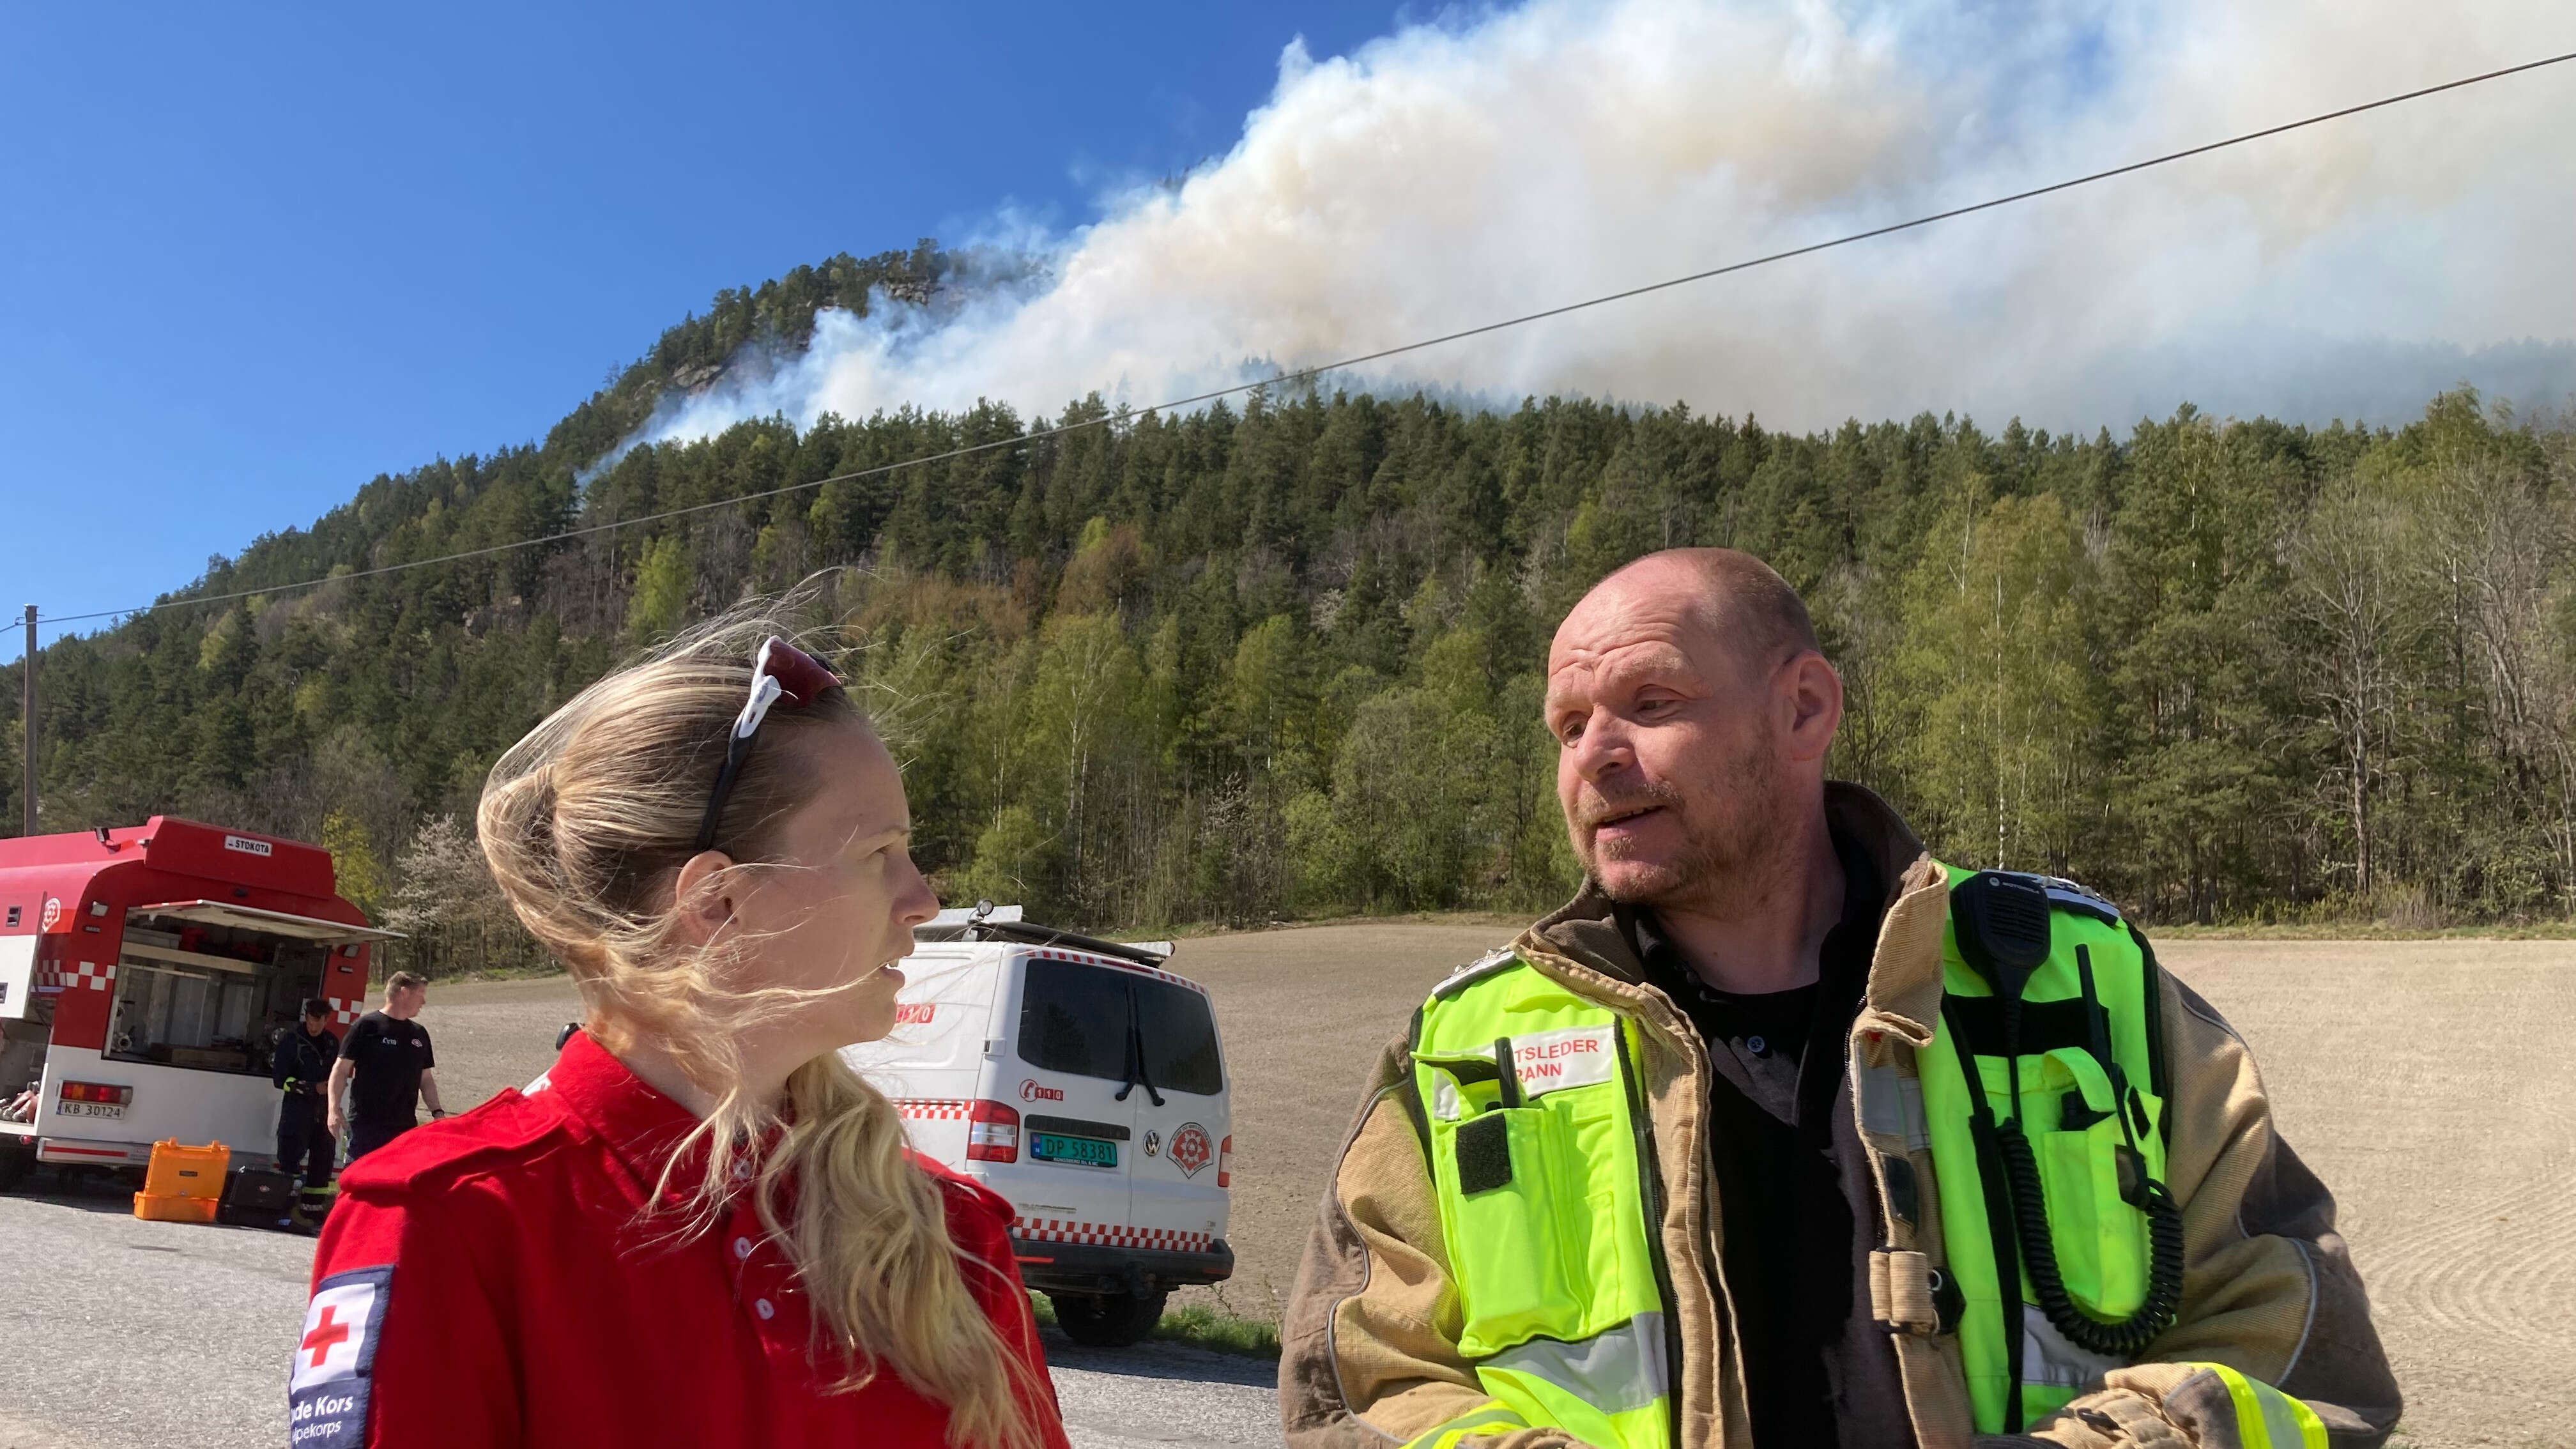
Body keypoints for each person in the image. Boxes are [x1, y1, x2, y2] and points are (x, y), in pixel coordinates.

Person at [1280, 549, 2400, 1449]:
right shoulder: (1465, 1050)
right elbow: (1360, 1383)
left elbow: (2299, 1347)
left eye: (1647, 700)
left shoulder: (2078, 978)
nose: (1594, 759)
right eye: (1567, 727)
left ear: (1804, 706)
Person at [294, 618, 1067, 1449]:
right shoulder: (454, 1225)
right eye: (880, 853)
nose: (921, 900)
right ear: (716, 904)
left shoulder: (951, 1238)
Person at [327, 972, 445, 1162]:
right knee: (360, 1183)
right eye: (421, 993)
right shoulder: (366, 1027)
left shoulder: (419, 1034)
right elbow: (340, 1070)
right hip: (366, 1125)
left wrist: (437, 1112)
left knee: (394, 1185)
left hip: (404, 1128)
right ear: (404, 993)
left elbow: (426, 1079)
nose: (424, 1001)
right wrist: (333, 1109)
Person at [272, 998, 342, 1224]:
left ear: (326, 1020)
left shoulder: (332, 1043)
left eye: (319, 1021)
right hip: (297, 1112)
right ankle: (284, 1212)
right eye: (311, 1020)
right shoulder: (291, 1042)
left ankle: (312, 1211)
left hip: (324, 1113)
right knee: (290, 1161)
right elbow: (280, 1080)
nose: (314, 1026)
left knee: (323, 1162)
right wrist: (311, 1088)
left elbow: (339, 1073)